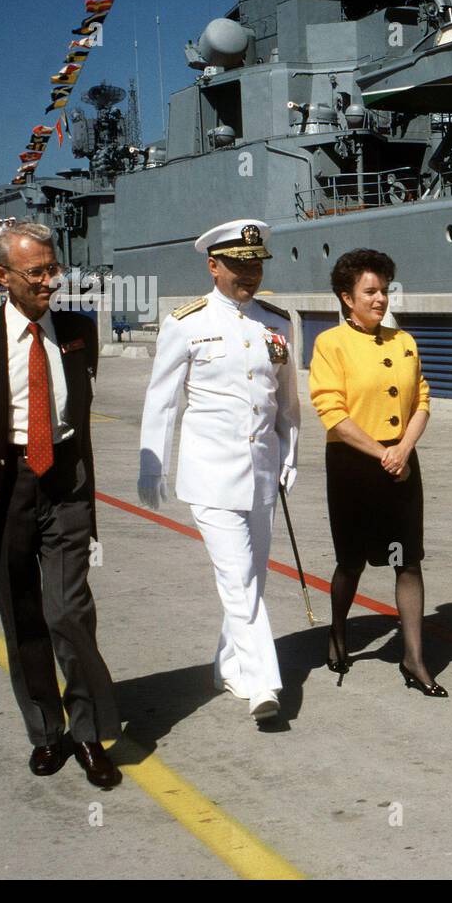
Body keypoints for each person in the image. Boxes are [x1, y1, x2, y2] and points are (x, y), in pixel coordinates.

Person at [0, 222, 121, 787]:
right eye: (36, 272)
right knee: (22, 617)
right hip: (4, 485)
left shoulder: (78, 330)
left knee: (69, 613)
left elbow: (80, 402)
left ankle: (89, 734)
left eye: (53, 268)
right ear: (2, 277)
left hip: (64, 482)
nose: (49, 281)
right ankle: (47, 732)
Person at [138, 219, 299, 723]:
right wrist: (152, 464)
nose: (248, 275)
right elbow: (162, 399)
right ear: (213, 266)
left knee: (252, 577)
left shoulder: (277, 321)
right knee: (237, 578)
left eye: (255, 264)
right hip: (209, 474)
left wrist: (290, 456)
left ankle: (227, 664)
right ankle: (263, 685)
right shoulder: (186, 322)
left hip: (262, 472)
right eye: (238, 266)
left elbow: (287, 404)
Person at [307, 249, 445, 697]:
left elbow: (422, 399)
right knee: (351, 562)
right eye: (370, 291)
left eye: (384, 289)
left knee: (408, 560)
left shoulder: (404, 341)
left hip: (402, 464)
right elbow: (332, 411)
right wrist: (382, 452)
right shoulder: (331, 344)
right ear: (347, 298)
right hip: (351, 466)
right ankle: (338, 632)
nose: (381, 298)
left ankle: (414, 658)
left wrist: (403, 448)